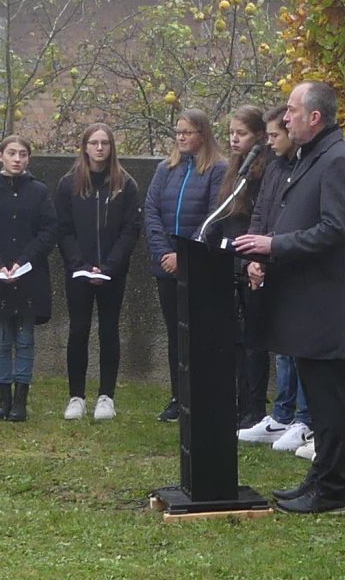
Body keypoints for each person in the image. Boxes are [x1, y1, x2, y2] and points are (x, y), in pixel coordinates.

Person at [232, 81, 345, 514]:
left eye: (291, 110)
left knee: (329, 401)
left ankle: (331, 490)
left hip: (324, 302)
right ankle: (318, 478)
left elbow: (335, 229)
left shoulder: (339, 160)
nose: (285, 118)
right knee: (319, 398)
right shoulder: (311, 156)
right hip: (303, 299)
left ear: (315, 118)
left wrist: (275, 246)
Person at [143, 107, 228, 422]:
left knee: (200, 333)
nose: (180, 137)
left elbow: (214, 215)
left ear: (202, 134)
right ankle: (179, 397)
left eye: (187, 132)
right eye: (177, 131)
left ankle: (204, 398)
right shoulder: (166, 168)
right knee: (174, 332)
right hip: (166, 266)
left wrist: (185, 255)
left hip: (199, 265)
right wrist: (164, 253)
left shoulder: (218, 169)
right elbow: (151, 210)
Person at [52, 123, 141, 422]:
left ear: (112, 147)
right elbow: (63, 230)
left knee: (108, 331)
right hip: (78, 272)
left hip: (112, 273)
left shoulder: (125, 185)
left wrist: (109, 267)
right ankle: (76, 396)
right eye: (94, 142)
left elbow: (130, 230)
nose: (99, 148)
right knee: (78, 331)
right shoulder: (68, 184)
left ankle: (106, 396)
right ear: (85, 146)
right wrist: (79, 264)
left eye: (105, 142)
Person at [0, 134, 56, 422]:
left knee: (26, 338)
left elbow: (47, 231)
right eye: (12, 153)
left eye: (23, 154)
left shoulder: (40, 192)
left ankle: (21, 400)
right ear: (0, 156)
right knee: (2, 339)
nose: (17, 159)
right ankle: (3, 398)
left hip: (29, 275)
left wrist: (23, 262)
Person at [237, 111, 311, 450]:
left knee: (299, 348)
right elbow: (259, 214)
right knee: (280, 347)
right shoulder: (272, 168)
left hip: (292, 263)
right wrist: (253, 257)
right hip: (267, 263)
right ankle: (281, 414)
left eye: (274, 136)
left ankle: (304, 417)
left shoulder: (303, 169)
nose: (269, 142)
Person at [217, 107, 272, 433]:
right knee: (235, 340)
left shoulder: (265, 171)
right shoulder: (235, 170)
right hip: (231, 259)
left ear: (259, 137)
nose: (234, 139)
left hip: (254, 262)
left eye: (242, 133)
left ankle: (254, 406)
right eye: (231, 133)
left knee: (254, 341)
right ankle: (237, 404)